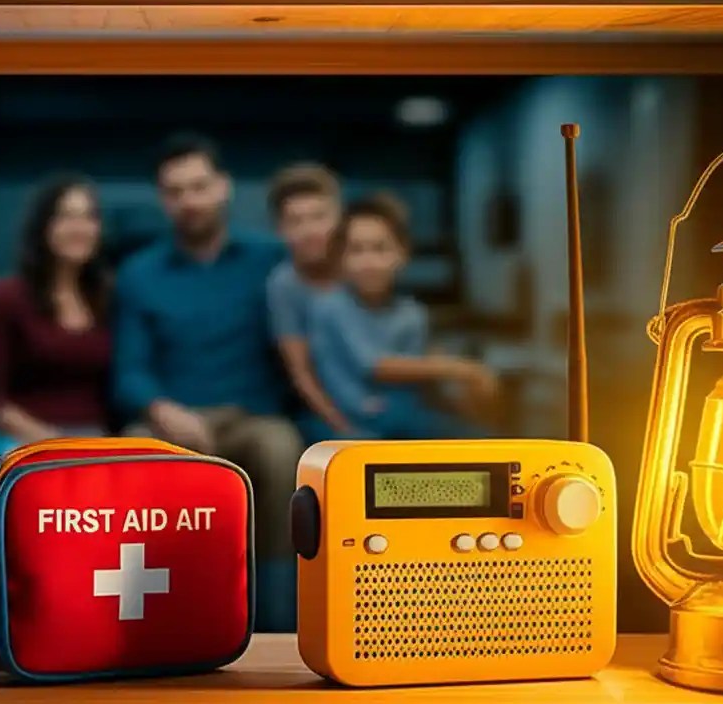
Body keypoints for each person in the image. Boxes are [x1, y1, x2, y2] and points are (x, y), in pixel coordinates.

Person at [112, 133, 303, 632]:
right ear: (162, 199)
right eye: (175, 191)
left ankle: (278, 626)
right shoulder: (138, 273)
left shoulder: (271, 259)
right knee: (130, 453)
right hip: (172, 424)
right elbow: (128, 369)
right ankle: (141, 625)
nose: (189, 201)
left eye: (199, 186)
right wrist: (160, 407)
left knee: (283, 448)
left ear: (223, 187)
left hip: (250, 419)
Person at [309, 192, 497, 439]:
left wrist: (460, 396)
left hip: (406, 416)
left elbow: (425, 371)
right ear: (340, 260)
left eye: (380, 249)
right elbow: (375, 366)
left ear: (402, 254)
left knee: (482, 440)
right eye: (356, 250)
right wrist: (464, 370)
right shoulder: (332, 305)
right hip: (350, 418)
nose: (369, 262)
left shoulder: (411, 312)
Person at [0, 175, 113, 463]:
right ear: (43, 227)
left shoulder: (107, 297)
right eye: (66, 217)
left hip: (96, 441)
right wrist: (54, 443)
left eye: (89, 217)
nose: (80, 228)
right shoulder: (3, 297)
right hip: (24, 441)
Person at [264, 163, 352, 442]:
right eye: (296, 221)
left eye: (319, 217)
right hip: (323, 412)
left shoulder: (359, 265)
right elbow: (301, 374)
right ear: (280, 229)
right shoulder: (284, 285)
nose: (310, 230)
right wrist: (345, 428)